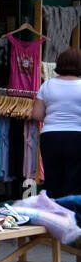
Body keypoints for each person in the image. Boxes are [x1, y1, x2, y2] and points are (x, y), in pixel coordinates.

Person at [33, 46, 81, 198]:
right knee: (75, 183)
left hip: (51, 136)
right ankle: (72, 217)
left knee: (53, 183)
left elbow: (37, 114)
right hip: (77, 137)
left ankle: (53, 217)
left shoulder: (46, 85)